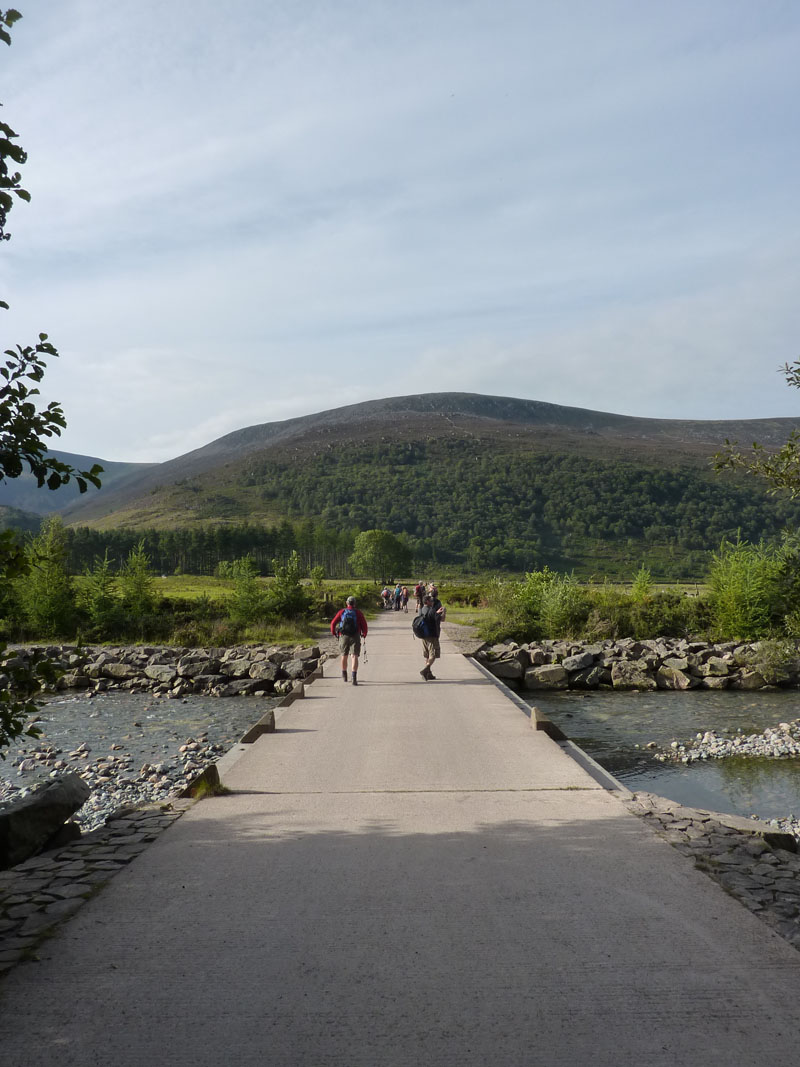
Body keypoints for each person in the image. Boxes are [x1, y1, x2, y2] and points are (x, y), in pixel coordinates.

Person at [330, 595, 368, 685]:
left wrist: (334, 633)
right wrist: (364, 634)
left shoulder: (342, 612)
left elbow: (333, 623)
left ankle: (344, 675)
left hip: (343, 635)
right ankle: (354, 677)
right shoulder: (358, 613)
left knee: (344, 655)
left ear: (347, 603)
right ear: (355, 603)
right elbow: (364, 625)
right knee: (354, 656)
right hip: (355, 635)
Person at [418, 585, 446, 680]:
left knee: (427, 655)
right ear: (427, 602)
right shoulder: (432, 610)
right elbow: (442, 619)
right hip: (432, 635)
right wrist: (443, 612)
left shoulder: (421, 609)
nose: (433, 601)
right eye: (431, 600)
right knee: (433, 655)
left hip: (423, 635)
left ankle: (428, 674)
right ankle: (425, 670)